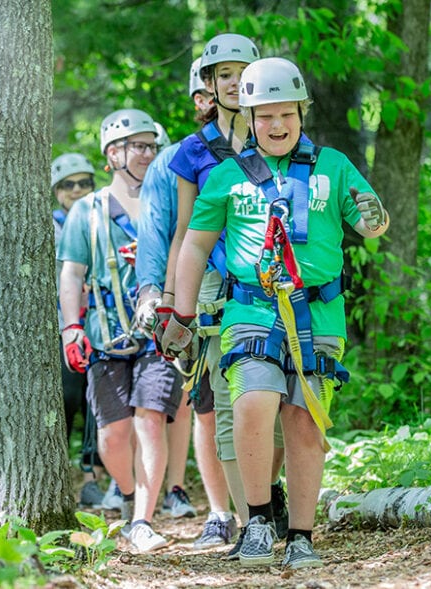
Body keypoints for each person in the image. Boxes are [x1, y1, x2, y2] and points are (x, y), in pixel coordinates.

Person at [163, 57, 389, 568]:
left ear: (302, 113)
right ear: (248, 118)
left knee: (304, 420)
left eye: (287, 113)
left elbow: (370, 223)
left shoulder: (334, 166)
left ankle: (302, 535)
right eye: (265, 116)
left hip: (319, 314)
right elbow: (195, 246)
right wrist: (182, 313)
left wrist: (374, 218)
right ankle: (258, 521)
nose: (277, 124)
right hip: (252, 310)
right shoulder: (227, 176)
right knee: (252, 402)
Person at [155, 35, 289, 558]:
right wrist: (174, 303)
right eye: (223, 75)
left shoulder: (278, 133)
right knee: (230, 405)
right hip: (216, 287)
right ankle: (252, 522)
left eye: (241, 72)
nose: (234, 83)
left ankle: (269, 494)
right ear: (208, 85)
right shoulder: (194, 152)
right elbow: (185, 232)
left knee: (280, 402)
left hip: (277, 282)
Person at [58, 108, 182, 553]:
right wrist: (71, 327)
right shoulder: (87, 211)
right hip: (106, 335)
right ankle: (129, 497)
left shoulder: (168, 202)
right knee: (112, 435)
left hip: (160, 333)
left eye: (152, 146)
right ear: (113, 154)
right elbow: (72, 274)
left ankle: (143, 519)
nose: (149, 153)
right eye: (139, 146)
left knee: (151, 420)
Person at [135, 61, 239, 549]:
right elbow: (159, 233)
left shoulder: (273, 139)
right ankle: (221, 512)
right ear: (200, 97)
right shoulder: (175, 160)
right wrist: (154, 293)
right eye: (212, 87)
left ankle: (264, 498)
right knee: (209, 403)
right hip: (203, 290)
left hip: (264, 284)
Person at [50, 152, 107, 508]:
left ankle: (91, 477)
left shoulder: (101, 220)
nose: (76, 190)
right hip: (62, 327)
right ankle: (59, 474)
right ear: (57, 191)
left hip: (98, 323)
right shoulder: (49, 227)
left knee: (95, 402)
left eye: (84, 183)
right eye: (68, 185)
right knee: (68, 398)